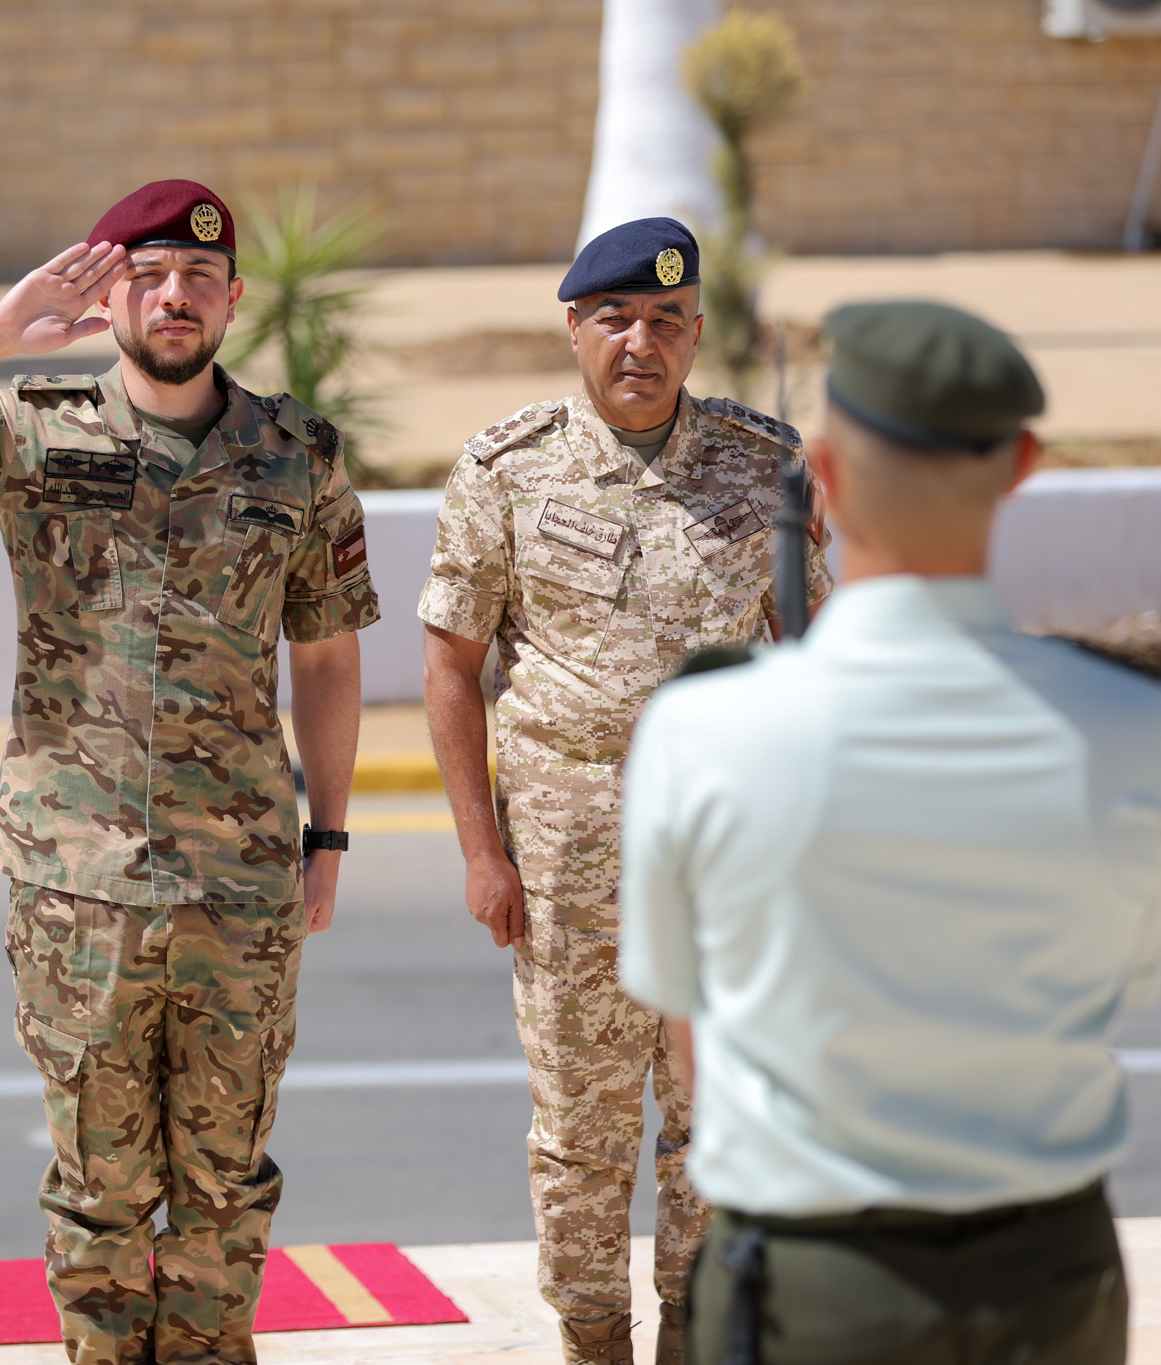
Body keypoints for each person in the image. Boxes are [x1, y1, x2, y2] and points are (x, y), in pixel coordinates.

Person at [0, 180, 377, 1365]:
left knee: (226, 1185)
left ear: (231, 300)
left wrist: (326, 839)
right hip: (77, 885)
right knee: (99, 1193)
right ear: (111, 290)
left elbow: (325, 654)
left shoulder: (297, 455)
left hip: (240, 886)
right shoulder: (32, 424)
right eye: (152, 274)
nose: (177, 298)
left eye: (200, 280)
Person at [619, 300, 1161, 1365]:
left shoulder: (702, 727)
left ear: (822, 476)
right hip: (1050, 1286)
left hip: (808, 1290)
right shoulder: (1128, 727)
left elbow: (691, 1042)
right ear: (1020, 464)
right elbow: (1114, 983)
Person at [417, 217, 832, 1365]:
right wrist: (480, 852)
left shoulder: (765, 467)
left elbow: (810, 653)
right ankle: (592, 1340)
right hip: (565, 858)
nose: (636, 342)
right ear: (572, 330)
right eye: (613, 319)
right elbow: (449, 667)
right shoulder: (506, 468)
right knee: (582, 1135)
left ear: (695, 333)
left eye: (662, 320)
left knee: (714, 1124)